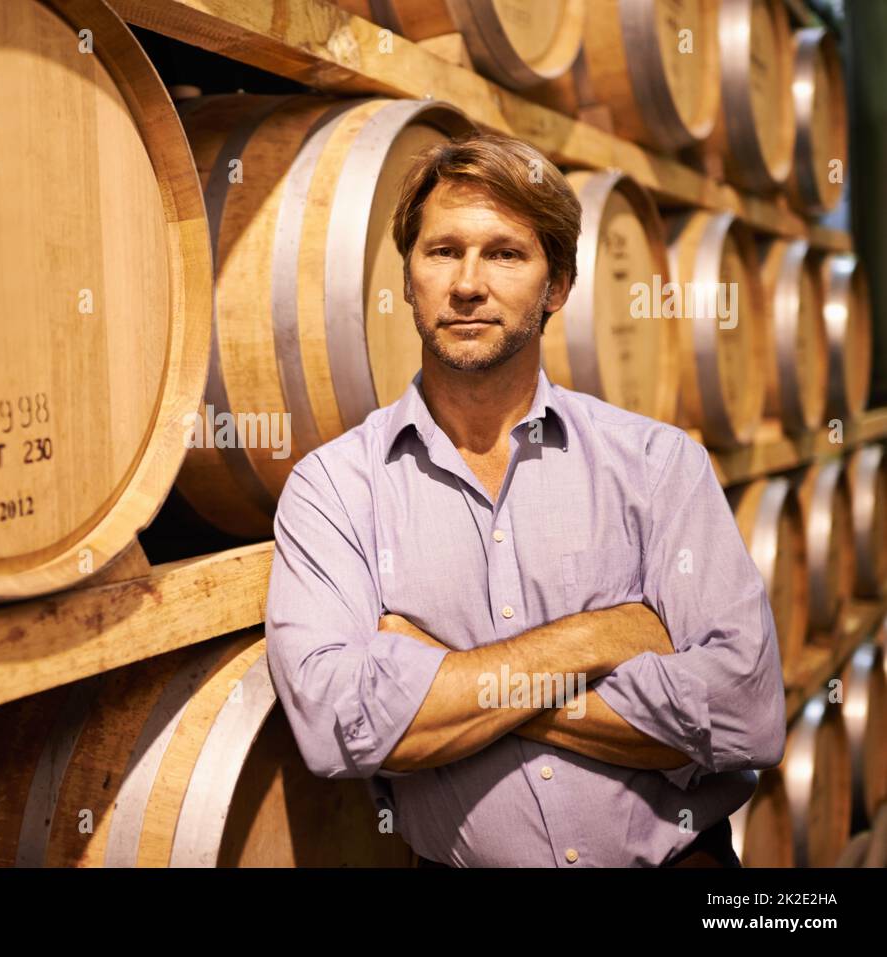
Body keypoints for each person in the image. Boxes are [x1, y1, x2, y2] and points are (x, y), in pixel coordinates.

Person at [263, 131, 786, 867]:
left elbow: (744, 713)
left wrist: (438, 675)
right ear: (409, 274)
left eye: (505, 253)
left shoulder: (658, 464)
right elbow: (333, 725)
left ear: (557, 287)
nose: (468, 283)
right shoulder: (335, 489)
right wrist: (598, 640)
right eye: (442, 251)